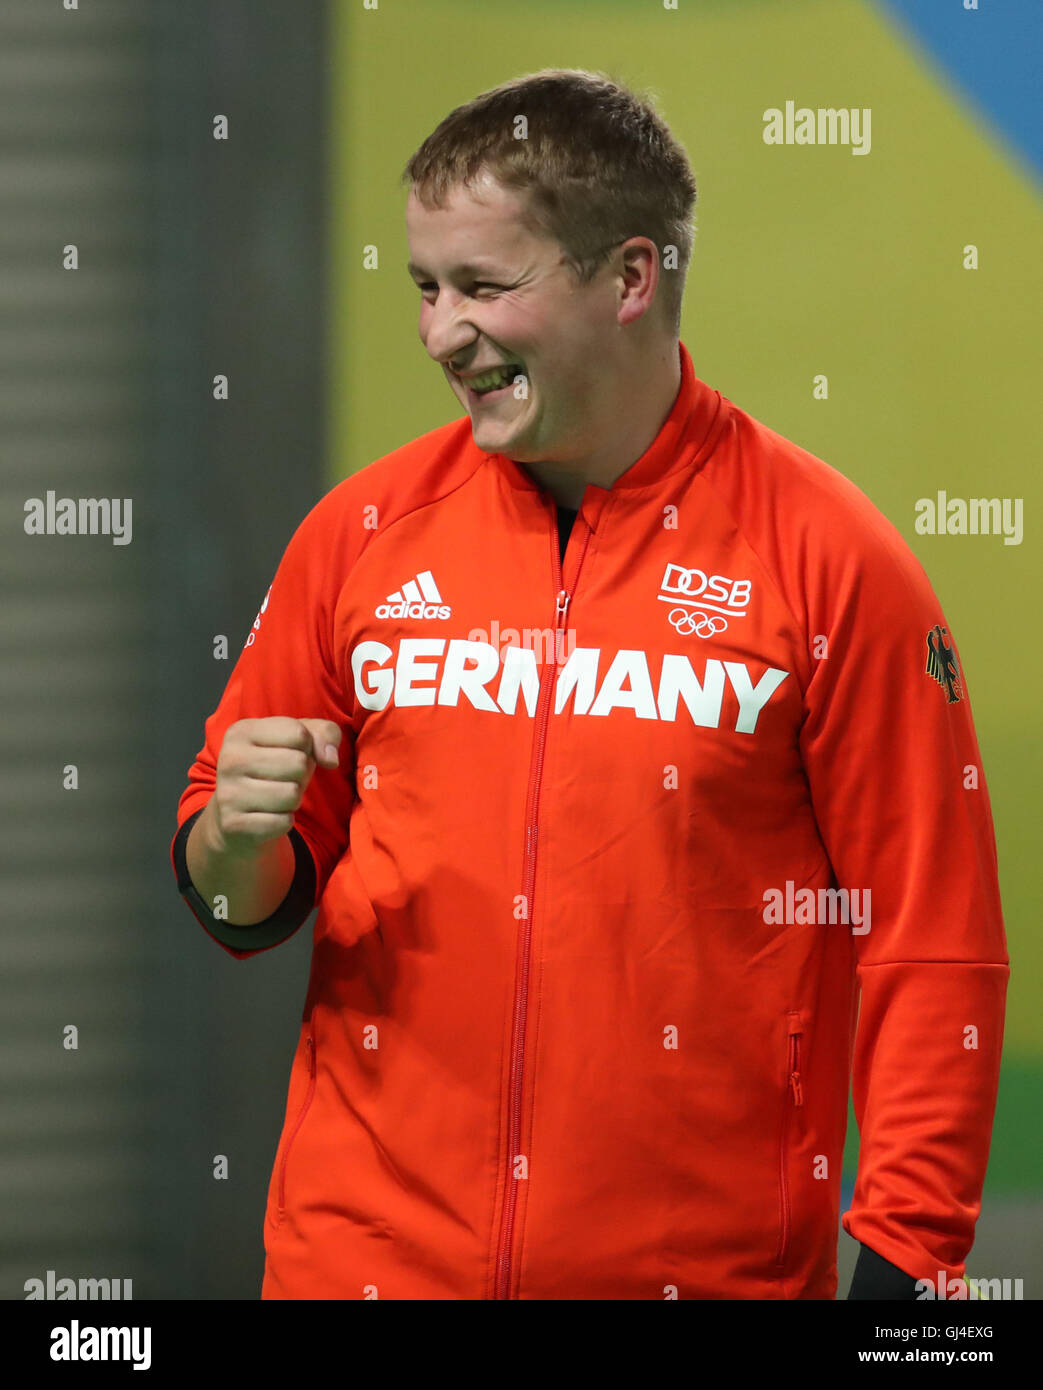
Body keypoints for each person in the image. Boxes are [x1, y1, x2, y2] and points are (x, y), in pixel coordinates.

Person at [170, 69, 1009, 1300]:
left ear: (628, 278)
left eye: (483, 286)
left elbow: (931, 946)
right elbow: (242, 898)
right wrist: (230, 846)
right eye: (423, 286)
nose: (438, 332)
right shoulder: (355, 536)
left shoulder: (830, 562)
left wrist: (905, 1262)